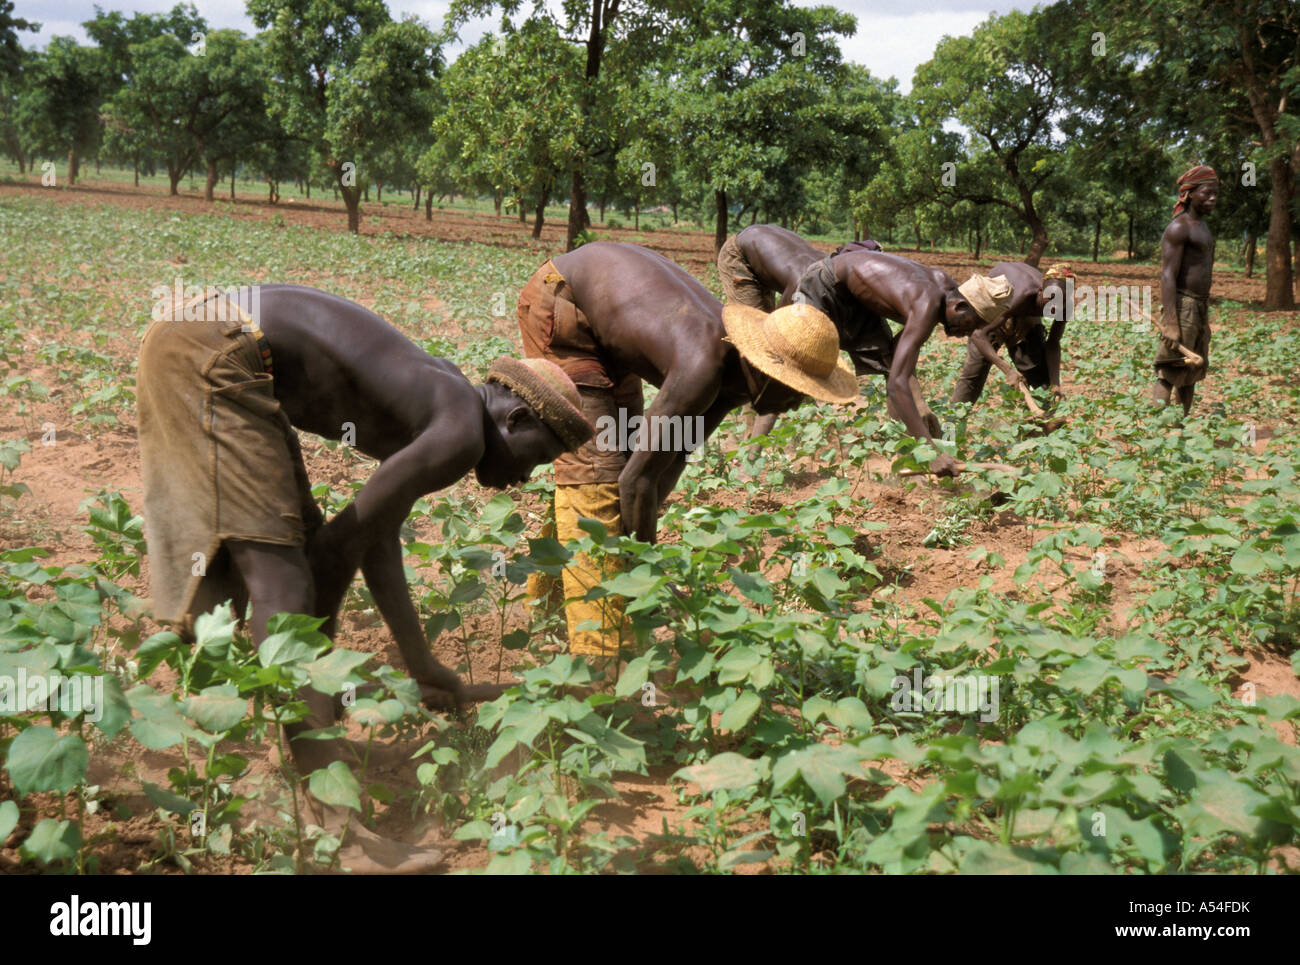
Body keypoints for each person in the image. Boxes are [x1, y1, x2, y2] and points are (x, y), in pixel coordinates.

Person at [138, 284, 592, 871]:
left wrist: (421, 664)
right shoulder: (460, 434)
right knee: (286, 580)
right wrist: (321, 679)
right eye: (536, 456)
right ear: (518, 416)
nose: (525, 478)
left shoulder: (449, 402)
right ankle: (335, 827)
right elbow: (337, 552)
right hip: (216, 349)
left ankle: (260, 744)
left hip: (209, 337)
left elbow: (374, 536)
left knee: (269, 551)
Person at [517, 242, 856, 657]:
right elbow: (635, 478)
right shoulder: (702, 367)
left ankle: (549, 607)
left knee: (616, 468)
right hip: (564, 308)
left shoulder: (735, 381)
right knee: (596, 473)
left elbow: (674, 453)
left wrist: (643, 523)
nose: (796, 405)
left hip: (605, 329)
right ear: (771, 374)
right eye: (798, 392)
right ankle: (601, 663)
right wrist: (647, 568)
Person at [951, 263, 1074, 407]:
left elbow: (1053, 344)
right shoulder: (1023, 296)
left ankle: (1040, 425)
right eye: (1051, 298)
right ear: (1040, 291)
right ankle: (951, 425)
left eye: (1061, 301)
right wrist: (1008, 370)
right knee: (974, 374)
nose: (1054, 306)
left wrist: (1055, 383)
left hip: (1025, 313)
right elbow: (978, 334)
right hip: (996, 305)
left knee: (1040, 377)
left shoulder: (1065, 308)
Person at [1153, 165, 1217, 415]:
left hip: (1199, 306)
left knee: (1191, 370)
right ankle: (1154, 431)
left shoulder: (1202, 227)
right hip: (1183, 306)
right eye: (1206, 193)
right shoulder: (1180, 228)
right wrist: (1171, 322)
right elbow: (1168, 275)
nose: (1212, 199)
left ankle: (1182, 424)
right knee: (1170, 369)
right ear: (1189, 194)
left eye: (1215, 194)